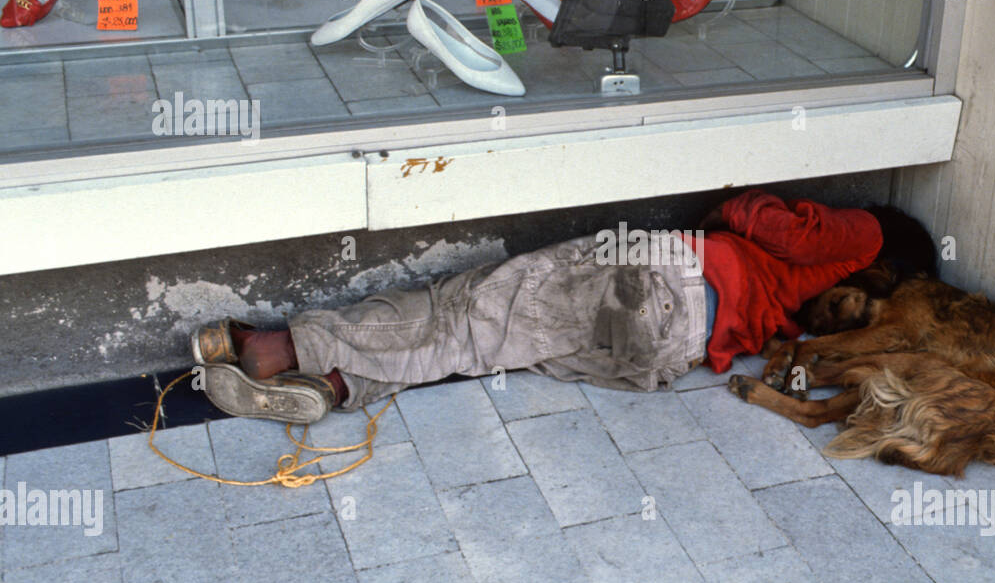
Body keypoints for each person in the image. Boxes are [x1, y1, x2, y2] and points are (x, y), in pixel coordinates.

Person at [191, 189, 885, 422]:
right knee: (490, 340)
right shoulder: (833, 320)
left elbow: (764, 221)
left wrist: (748, 211)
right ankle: (339, 384)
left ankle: (284, 348)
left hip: (662, 280)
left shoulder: (871, 240)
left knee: (467, 307)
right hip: (670, 354)